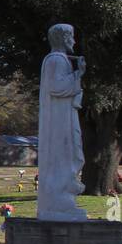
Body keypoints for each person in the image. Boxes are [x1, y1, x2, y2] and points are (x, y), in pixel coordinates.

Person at [36, 23, 88, 221]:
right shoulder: (56, 60)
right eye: (72, 37)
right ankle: (58, 202)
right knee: (63, 157)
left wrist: (76, 74)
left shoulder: (58, 60)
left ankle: (62, 201)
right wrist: (78, 75)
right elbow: (57, 87)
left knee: (65, 156)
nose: (74, 41)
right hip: (59, 122)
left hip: (62, 117)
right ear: (63, 38)